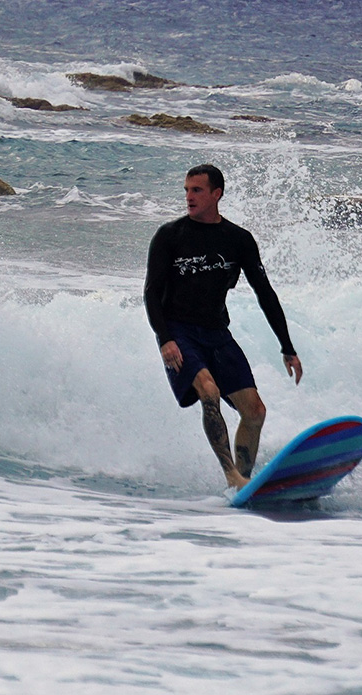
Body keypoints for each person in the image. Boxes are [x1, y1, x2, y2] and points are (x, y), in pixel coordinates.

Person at [143, 164, 303, 490]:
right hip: (180, 332)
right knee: (209, 391)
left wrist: (287, 347)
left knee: (255, 411)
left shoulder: (238, 240)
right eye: (186, 190)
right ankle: (231, 474)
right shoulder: (170, 236)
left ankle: (242, 483)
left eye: (197, 190)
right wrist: (165, 339)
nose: (189, 196)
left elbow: (265, 293)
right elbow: (150, 292)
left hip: (217, 334)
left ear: (216, 194)